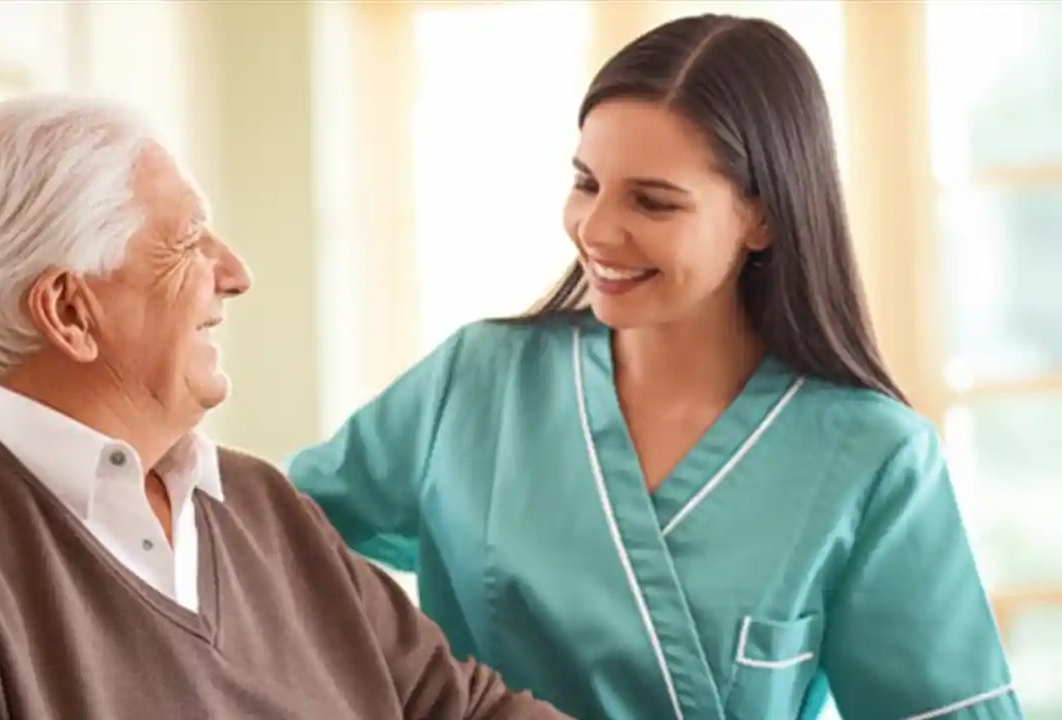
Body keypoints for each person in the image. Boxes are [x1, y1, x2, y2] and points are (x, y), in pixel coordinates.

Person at [285, 14, 1023, 720]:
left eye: (654, 202)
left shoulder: (874, 457)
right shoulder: (476, 381)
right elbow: (261, 546)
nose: (597, 229)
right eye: (585, 183)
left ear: (763, 217)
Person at [0, 95, 568, 720]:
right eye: (189, 241)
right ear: (69, 311)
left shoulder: (265, 506)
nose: (234, 273)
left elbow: (462, 709)